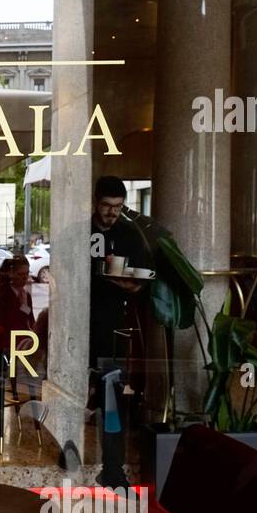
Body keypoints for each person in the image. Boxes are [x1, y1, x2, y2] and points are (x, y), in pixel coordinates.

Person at [88, 176, 152, 487]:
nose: (112, 212)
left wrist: (115, 278)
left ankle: (112, 468)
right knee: (74, 395)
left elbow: (140, 283)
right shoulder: (80, 232)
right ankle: (67, 452)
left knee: (112, 398)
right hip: (78, 323)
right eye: (106, 206)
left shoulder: (130, 233)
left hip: (113, 326)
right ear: (95, 202)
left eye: (117, 207)